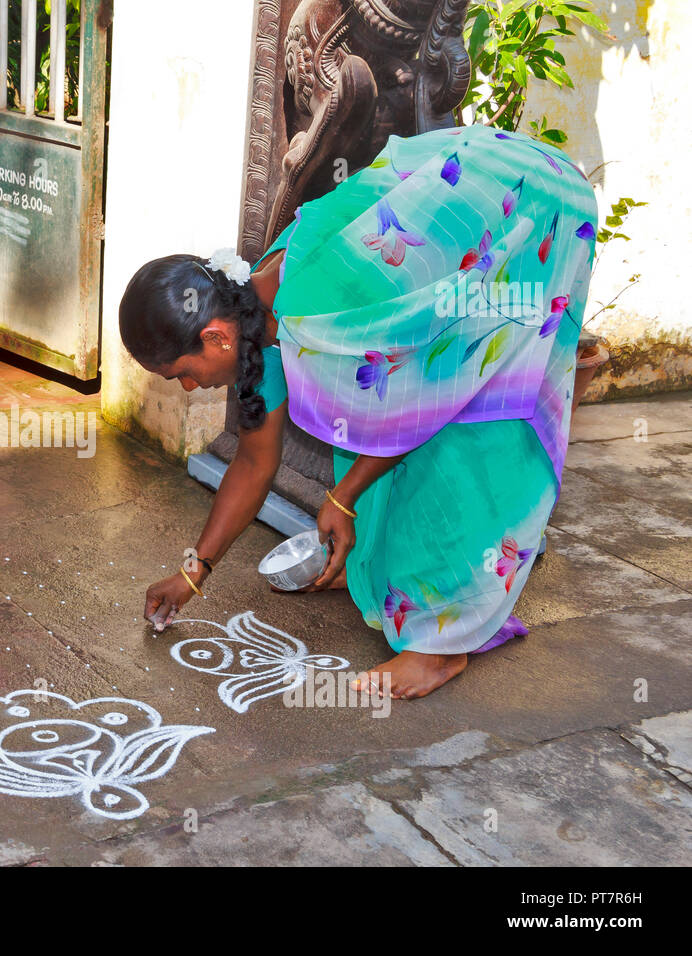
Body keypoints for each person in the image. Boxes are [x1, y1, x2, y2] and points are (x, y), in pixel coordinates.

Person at [120, 123, 599, 699]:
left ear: (217, 338)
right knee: (366, 430)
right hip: (472, 196)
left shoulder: (322, 307)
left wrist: (342, 497)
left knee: (471, 413)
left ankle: (441, 647)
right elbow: (253, 462)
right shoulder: (255, 317)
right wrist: (192, 574)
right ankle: (383, 569)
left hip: (528, 202)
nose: (193, 387)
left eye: (183, 374)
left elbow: (416, 402)